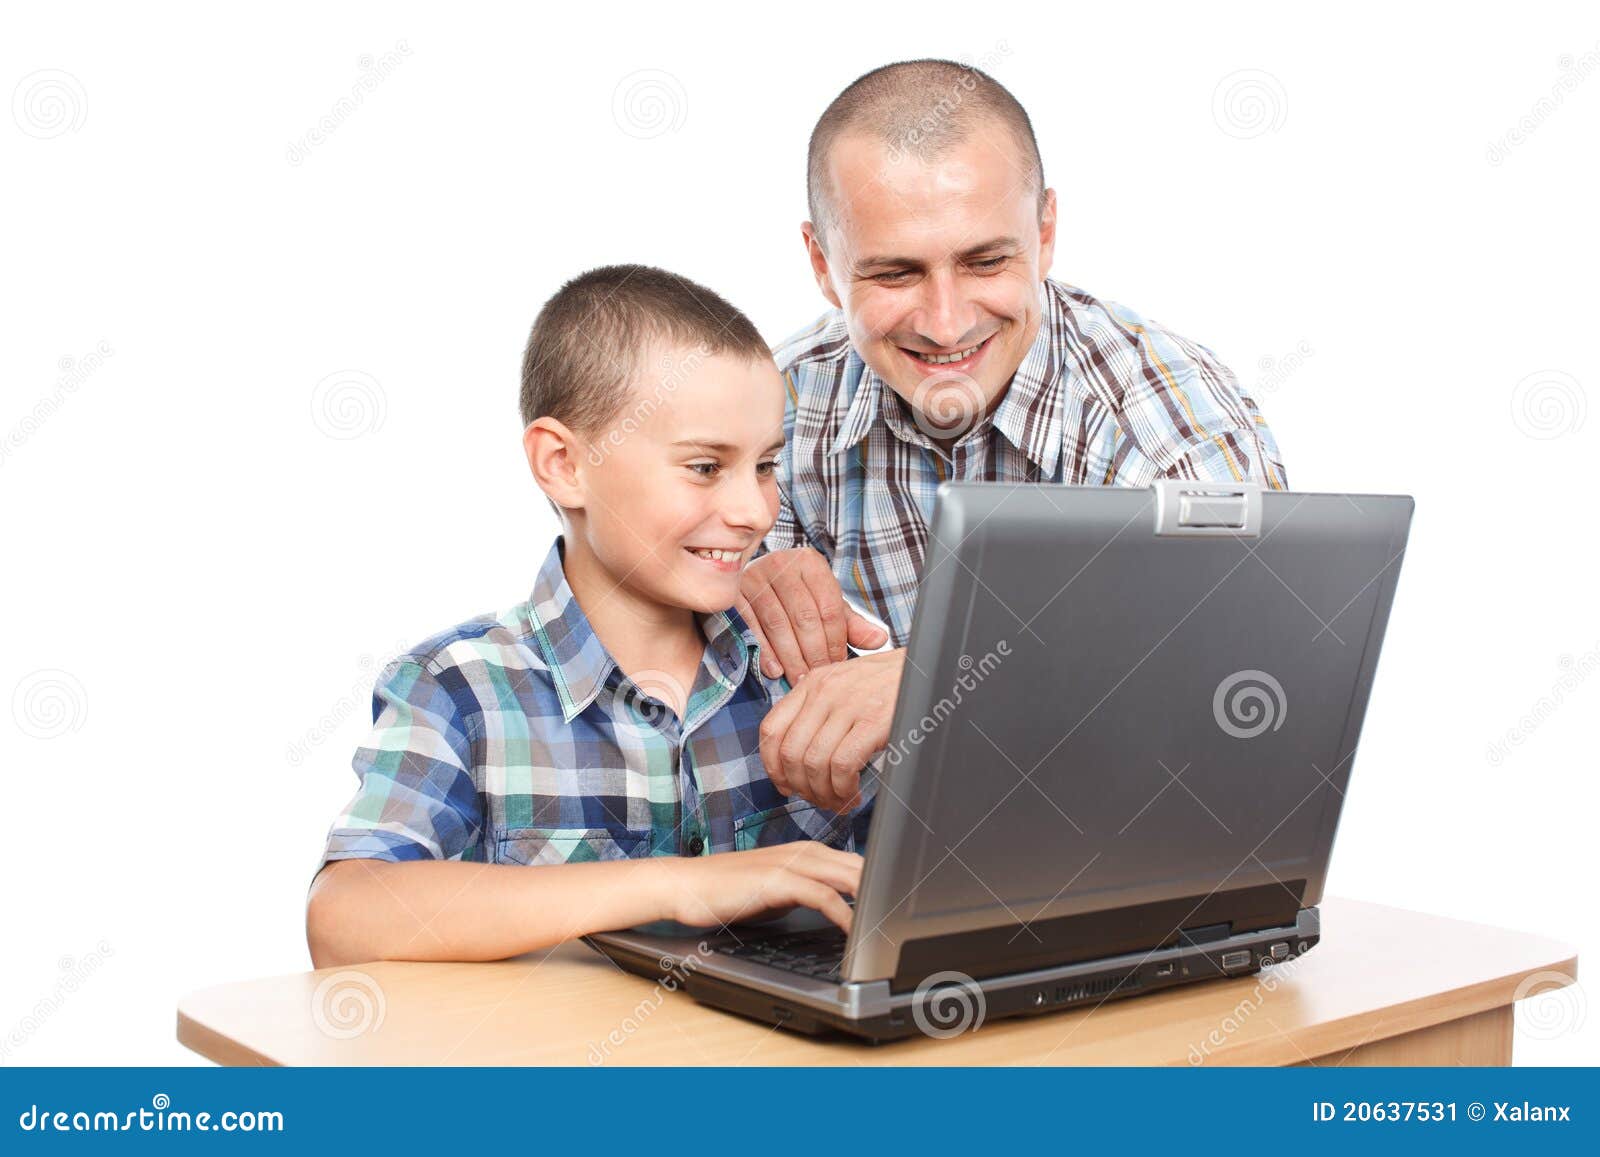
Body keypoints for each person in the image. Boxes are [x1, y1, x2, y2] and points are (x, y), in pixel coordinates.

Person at [739, 60, 1289, 812]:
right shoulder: (772, 407)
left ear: (1047, 233)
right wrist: (717, 583)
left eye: (986, 260)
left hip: (1119, 885)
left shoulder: (1167, 430)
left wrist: (933, 675)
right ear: (821, 266)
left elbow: (1250, 695)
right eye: (895, 274)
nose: (946, 321)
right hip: (840, 890)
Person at [306, 265, 870, 967]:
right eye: (704, 467)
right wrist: (673, 884)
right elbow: (346, 917)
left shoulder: (799, 666)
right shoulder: (461, 689)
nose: (756, 511)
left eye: (765, 466)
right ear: (565, 464)